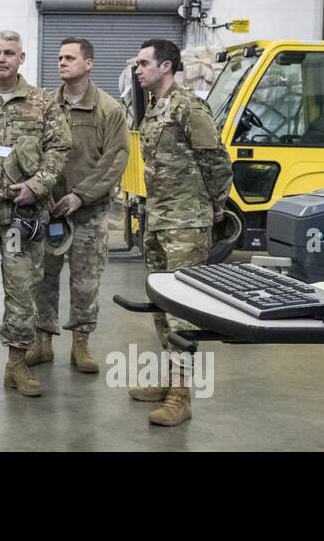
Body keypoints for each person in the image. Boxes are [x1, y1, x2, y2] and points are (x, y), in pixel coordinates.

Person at [0, 31, 69, 397]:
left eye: (9, 53)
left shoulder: (42, 103)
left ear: (22, 58)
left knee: (22, 290)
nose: (1, 58)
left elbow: (59, 147)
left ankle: (16, 365)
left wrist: (37, 184)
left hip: (24, 216)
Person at [129, 38, 231, 426]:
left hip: (187, 225)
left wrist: (216, 204)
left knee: (183, 314)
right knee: (161, 306)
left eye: (143, 63)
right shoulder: (156, 109)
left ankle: (182, 397)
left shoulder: (189, 107)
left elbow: (215, 158)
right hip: (159, 220)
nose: (138, 70)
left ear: (166, 67)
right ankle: (172, 380)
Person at [26, 37, 128, 373]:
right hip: (49, 209)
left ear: (89, 63)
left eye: (70, 58)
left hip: (88, 212)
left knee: (85, 281)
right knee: (43, 278)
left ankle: (81, 344)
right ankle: (42, 341)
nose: (62, 63)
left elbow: (114, 161)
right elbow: (31, 150)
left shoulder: (109, 110)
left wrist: (80, 195)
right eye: (59, 58)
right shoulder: (42, 105)